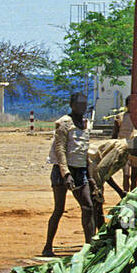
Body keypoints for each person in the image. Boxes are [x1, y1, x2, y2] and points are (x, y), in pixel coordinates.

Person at [42, 91, 95, 256]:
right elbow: (60, 149)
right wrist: (66, 174)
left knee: (88, 207)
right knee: (59, 209)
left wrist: (91, 177)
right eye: (79, 104)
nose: (82, 107)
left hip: (80, 170)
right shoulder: (64, 123)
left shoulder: (86, 124)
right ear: (72, 105)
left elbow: (85, 152)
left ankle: (89, 246)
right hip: (62, 170)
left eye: (84, 104)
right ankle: (48, 247)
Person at [88, 135, 137, 230]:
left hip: (95, 172)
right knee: (94, 205)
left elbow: (106, 174)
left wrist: (119, 191)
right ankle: (93, 236)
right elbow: (100, 171)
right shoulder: (120, 149)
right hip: (88, 168)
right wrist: (97, 189)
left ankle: (100, 230)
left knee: (97, 205)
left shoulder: (126, 152)